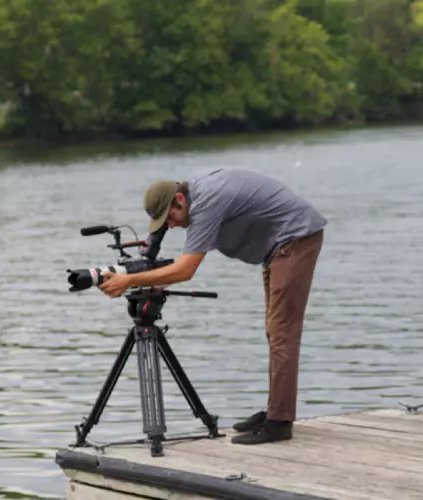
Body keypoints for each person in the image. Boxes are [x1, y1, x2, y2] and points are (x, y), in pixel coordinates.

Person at [99, 167, 326, 445]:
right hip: (279, 246)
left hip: (295, 238)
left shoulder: (206, 204)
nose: (170, 225)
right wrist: (149, 267)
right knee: (275, 331)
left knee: (282, 332)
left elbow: (185, 270)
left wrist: (128, 280)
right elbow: (175, 258)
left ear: (180, 200)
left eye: (169, 217)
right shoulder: (193, 195)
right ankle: (275, 412)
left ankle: (279, 423)